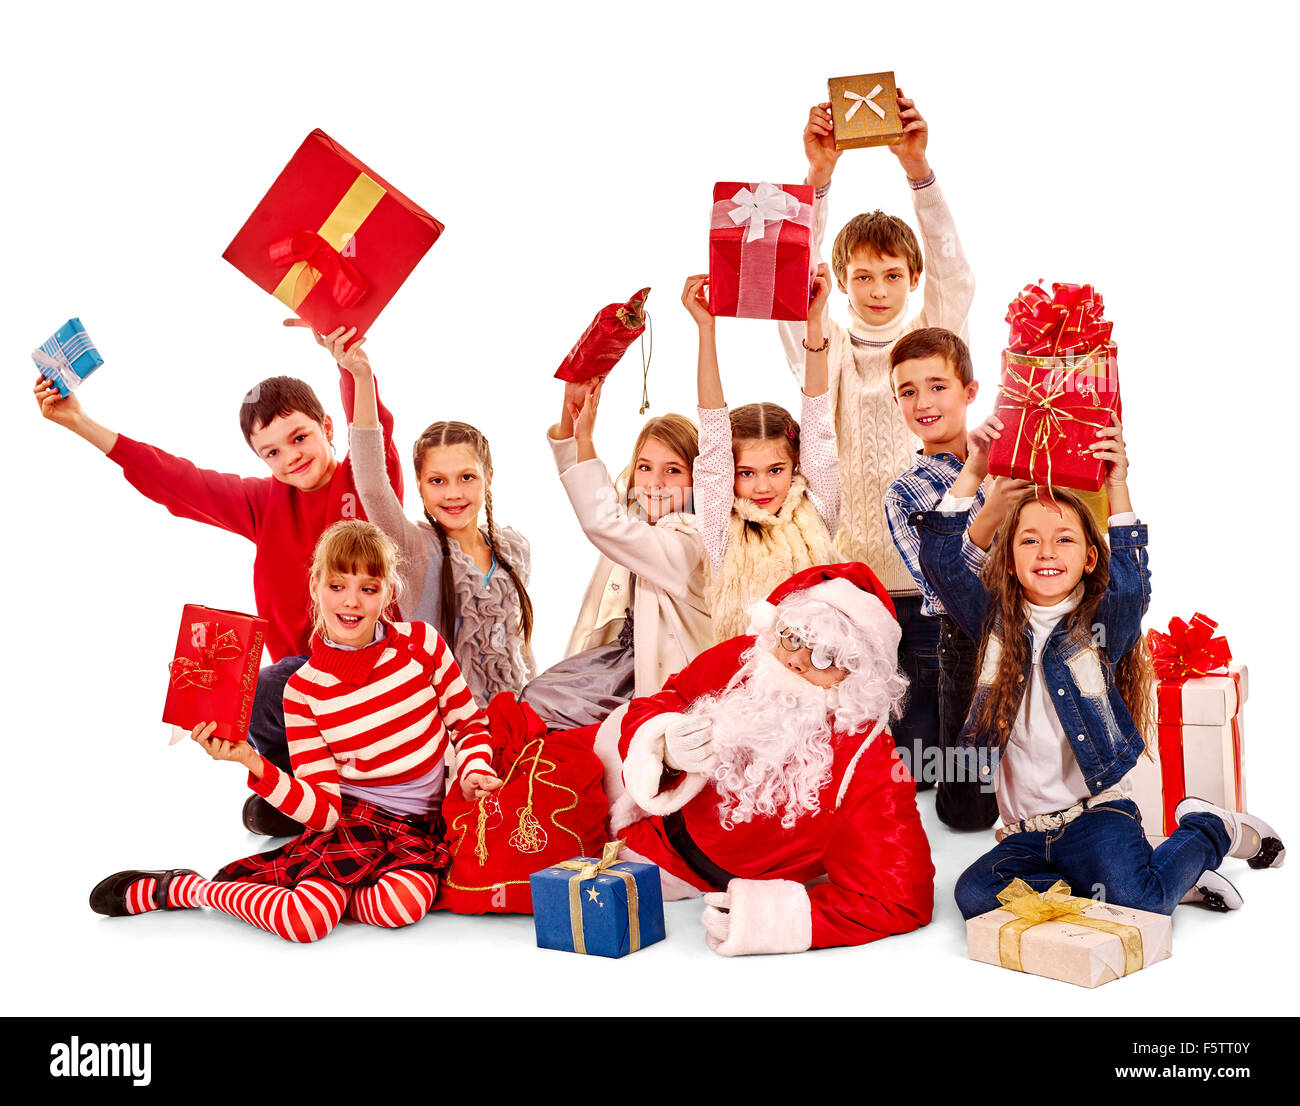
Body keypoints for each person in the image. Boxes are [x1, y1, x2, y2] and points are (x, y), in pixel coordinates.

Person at [34, 325, 403, 836]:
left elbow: (374, 432)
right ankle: (306, 784)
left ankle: (345, 785)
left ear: (327, 426)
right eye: (271, 452)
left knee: (267, 686)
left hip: (378, 669)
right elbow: (178, 480)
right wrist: (81, 423)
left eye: (299, 438)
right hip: (311, 684)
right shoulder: (264, 502)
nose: (291, 456)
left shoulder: (365, 482)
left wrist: (353, 368)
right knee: (243, 689)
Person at [912, 423, 1285, 918]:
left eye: (1064, 539)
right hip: (1027, 834)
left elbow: (1131, 586)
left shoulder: (1101, 625)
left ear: (1089, 558)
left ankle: (1209, 829)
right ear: (1008, 560)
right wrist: (975, 470)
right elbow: (939, 559)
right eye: (1029, 541)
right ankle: (1160, 874)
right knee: (976, 896)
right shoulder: (990, 621)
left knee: (1137, 901)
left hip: (1097, 817)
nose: (1046, 551)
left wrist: (1117, 484)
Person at [89, 520, 502, 942]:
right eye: (337, 586)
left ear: (388, 592)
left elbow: (468, 724)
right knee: (306, 924)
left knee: (402, 908)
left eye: (368, 588)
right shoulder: (303, 691)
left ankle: (316, 891)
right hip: (355, 819)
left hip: (421, 826)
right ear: (316, 588)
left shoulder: (421, 645)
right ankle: (186, 889)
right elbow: (323, 812)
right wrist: (250, 760)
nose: (352, 602)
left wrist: (472, 770)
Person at [600, 563, 934, 955]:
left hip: (682, 877)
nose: (797, 660)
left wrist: (767, 918)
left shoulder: (870, 766)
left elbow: (900, 896)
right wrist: (664, 746)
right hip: (634, 808)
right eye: (792, 638)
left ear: (858, 676)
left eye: (826, 656)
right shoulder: (747, 663)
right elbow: (670, 696)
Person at [321, 325, 536, 708]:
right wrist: (360, 376)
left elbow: (521, 645)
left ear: (488, 478)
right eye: (437, 481)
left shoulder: (513, 548)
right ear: (420, 487)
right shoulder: (415, 549)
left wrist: (536, 711)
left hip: (519, 715)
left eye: (466, 477)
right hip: (451, 733)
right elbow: (370, 483)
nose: (453, 493)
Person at [883, 327, 1025, 828]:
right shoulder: (907, 491)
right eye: (908, 390)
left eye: (938, 385)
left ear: (969, 391)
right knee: (967, 810)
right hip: (966, 641)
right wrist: (985, 520)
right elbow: (939, 581)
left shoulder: (1014, 453)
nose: (923, 400)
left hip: (1036, 623)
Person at [520, 375, 712, 729]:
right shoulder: (643, 520)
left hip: (659, 677)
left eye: (673, 470)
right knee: (534, 699)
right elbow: (593, 491)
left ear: (697, 480)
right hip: (622, 660)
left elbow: (602, 522)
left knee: (546, 709)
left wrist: (586, 438)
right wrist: (571, 420)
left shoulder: (688, 544)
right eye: (645, 467)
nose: (654, 483)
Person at [683, 266, 840, 641]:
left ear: (796, 465)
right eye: (746, 473)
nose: (762, 486)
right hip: (750, 683)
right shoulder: (720, 525)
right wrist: (707, 330)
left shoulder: (816, 509)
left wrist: (814, 321)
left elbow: (817, 422)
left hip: (821, 679)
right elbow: (713, 438)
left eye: (775, 469)